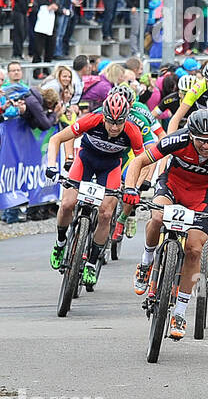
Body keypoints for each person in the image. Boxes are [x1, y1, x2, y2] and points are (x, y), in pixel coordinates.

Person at [124, 109, 208, 339]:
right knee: (156, 217)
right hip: (171, 187)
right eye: (201, 141)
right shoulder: (177, 139)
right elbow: (139, 161)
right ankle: (146, 262)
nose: (206, 146)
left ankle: (181, 312)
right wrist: (131, 188)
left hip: (199, 197)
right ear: (191, 135)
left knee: (194, 249)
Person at [44, 90, 144, 285]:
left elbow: (142, 161)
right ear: (103, 116)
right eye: (110, 121)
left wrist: (133, 186)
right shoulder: (92, 120)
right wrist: (51, 165)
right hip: (86, 161)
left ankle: (91, 262)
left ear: (126, 118)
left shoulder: (132, 131)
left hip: (111, 167)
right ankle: (60, 243)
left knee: (106, 213)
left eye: (119, 122)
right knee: (67, 204)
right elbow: (57, 139)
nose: (114, 127)